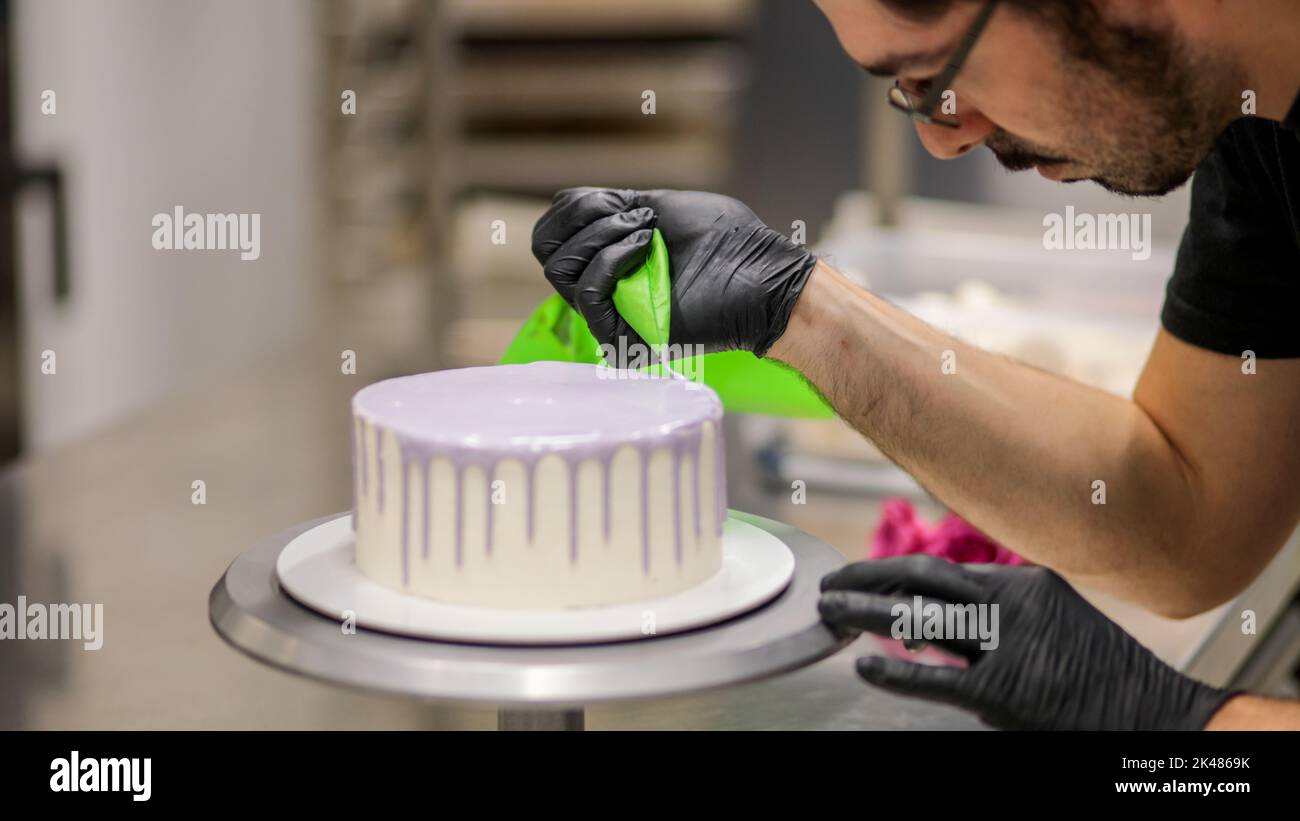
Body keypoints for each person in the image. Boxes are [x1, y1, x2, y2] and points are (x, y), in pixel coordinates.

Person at [529, 0, 1300, 728]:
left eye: (938, 74)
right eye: (909, 94)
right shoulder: (1256, 124)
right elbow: (1187, 514)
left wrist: (1180, 729)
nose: (943, 137)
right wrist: (796, 307)